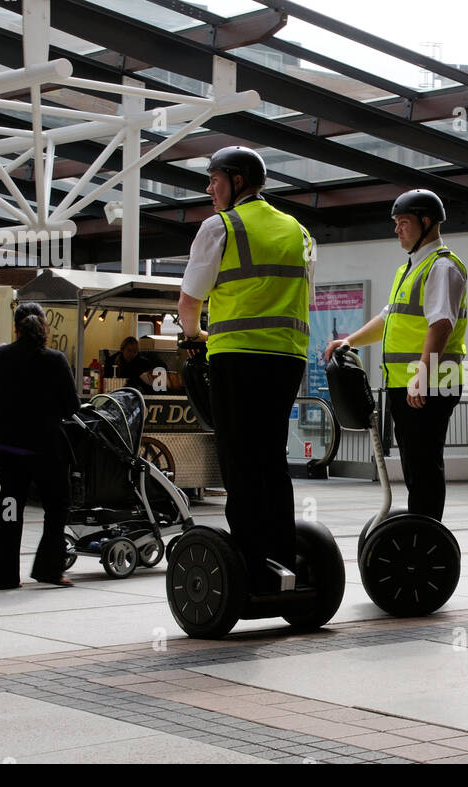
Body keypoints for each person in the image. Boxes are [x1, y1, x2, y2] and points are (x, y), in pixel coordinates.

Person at [176, 146, 315, 581]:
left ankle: (250, 558)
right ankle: (282, 551)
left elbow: (188, 302)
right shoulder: (299, 231)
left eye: (214, 179)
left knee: (238, 456)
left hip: (236, 356)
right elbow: (306, 297)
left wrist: (195, 334)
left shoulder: (220, 227)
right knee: (272, 455)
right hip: (288, 358)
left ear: (237, 182)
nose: (209, 188)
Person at [324, 189, 468, 521]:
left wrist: (422, 374)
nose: (397, 230)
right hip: (411, 384)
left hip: (429, 384)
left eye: (403, 222)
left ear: (427, 222)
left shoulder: (442, 267)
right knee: (415, 467)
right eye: (396, 223)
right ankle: (420, 528)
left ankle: (427, 534)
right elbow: (388, 318)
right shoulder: (410, 269)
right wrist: (350, 341)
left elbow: (442, 324)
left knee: (424, 466)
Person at [0, 302, 79, 589]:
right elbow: (71, 406)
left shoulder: (2, 357)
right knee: (56, 506)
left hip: (8, 450)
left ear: (16, 326)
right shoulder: (55, 359)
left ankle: (3, 574)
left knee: (10, 507)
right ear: (44, 327)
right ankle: (49, 567)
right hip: (45, 449)